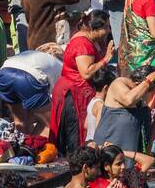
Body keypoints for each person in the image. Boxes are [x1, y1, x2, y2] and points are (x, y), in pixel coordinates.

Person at [48, 12, 112, 153]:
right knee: (73, 137)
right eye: (105, 27)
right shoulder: (83, 44)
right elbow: (86, 72)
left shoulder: (90, 39)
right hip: (73, 94)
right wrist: (105, 59)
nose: (108, 30)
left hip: (75, 91)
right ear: (93, 29)